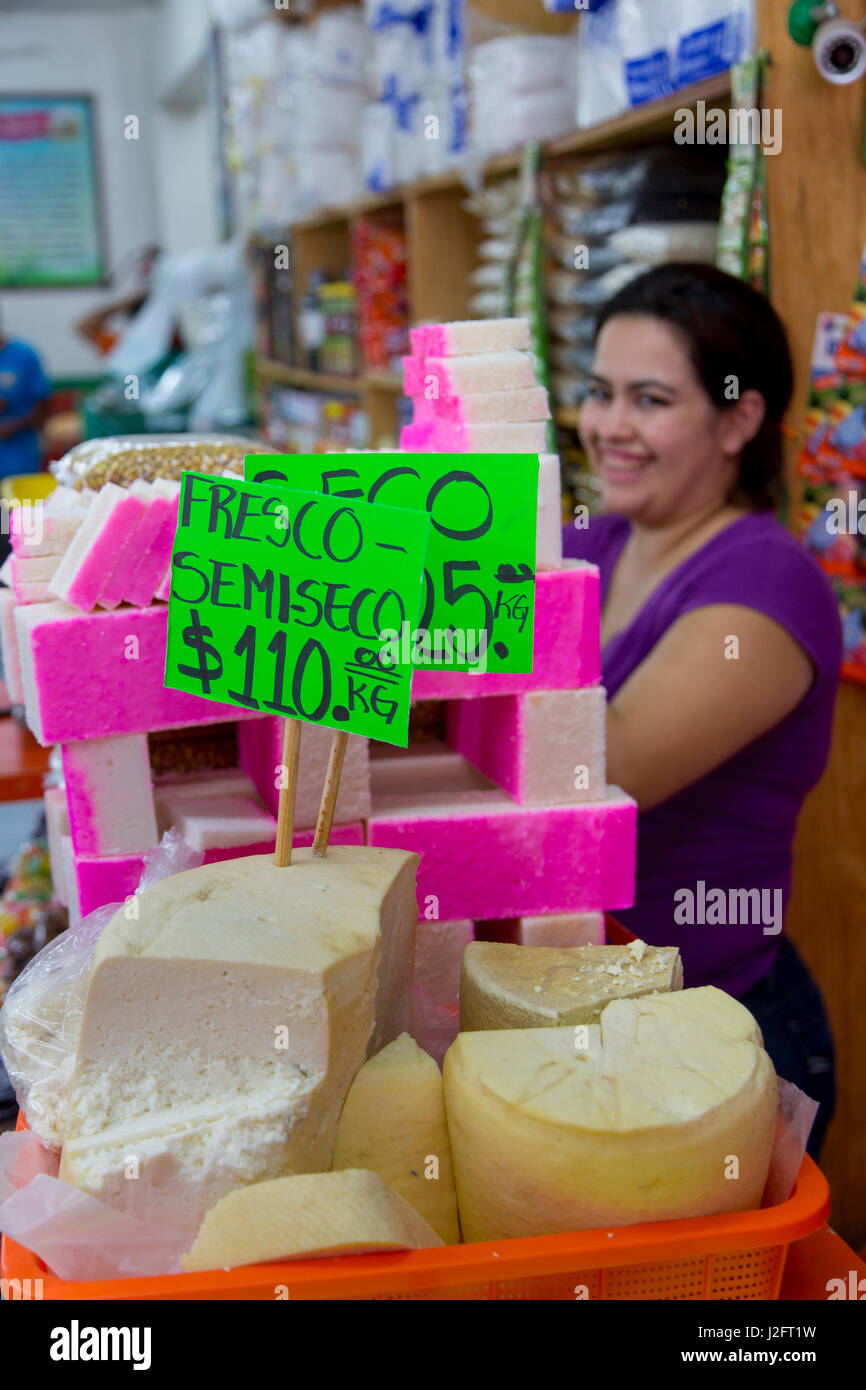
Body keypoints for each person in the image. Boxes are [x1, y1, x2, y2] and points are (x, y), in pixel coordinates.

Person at [564, 263, 841, 1158]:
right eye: (600, 393)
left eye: (649, 399)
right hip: (600, 1016)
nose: (609, 426)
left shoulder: (765, 583)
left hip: (719, 1029)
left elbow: (611, 768)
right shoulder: (597, 539)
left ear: (739, 418)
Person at [0, 316, 51, 479]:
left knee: (18, 503)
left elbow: (44, 406)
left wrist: (14, 426)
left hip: (18, 458)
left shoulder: (23, 355)